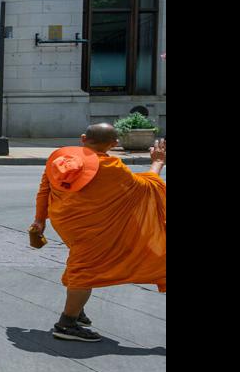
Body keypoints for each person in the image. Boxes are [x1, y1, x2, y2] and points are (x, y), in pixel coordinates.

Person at [30, 127, 167, 342]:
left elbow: (44, 189)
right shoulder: (112, 167)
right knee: (84, 269)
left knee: (82, 260)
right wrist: (158, 162)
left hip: (65, 222)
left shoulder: (61, 157)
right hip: (93, 227)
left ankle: (77, 307)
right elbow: (146, 187)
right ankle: (67, 323)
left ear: (83, 139)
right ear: (114, 144)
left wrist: (39, 220)